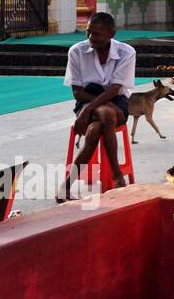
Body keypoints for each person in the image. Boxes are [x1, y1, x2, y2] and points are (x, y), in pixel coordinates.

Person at [58, 13, 136, 202]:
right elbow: (77, 92)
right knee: (107, 114)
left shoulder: (127, 52)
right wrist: (89, 107)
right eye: (89, 33)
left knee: (97, 127)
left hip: (116, 101)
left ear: (111, 33)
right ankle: (118, 177)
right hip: (87, 98)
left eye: (97, 34)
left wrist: (88, 111)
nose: (91, 38)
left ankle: (66, 186)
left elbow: (116, 88)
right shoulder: (76, 51)